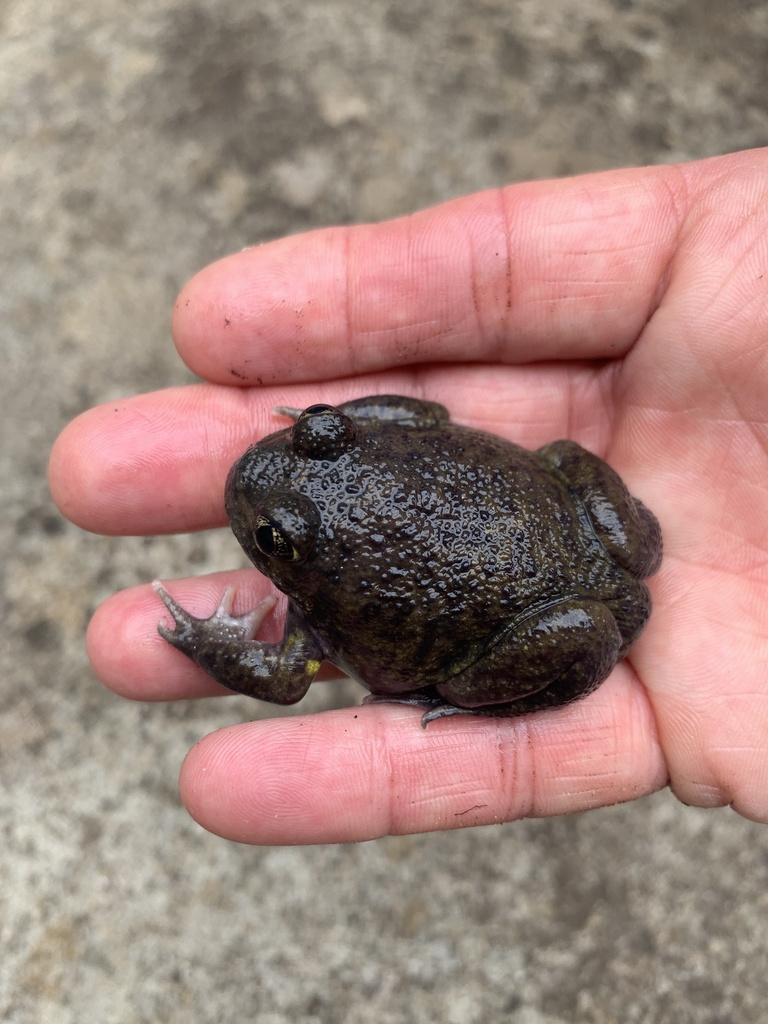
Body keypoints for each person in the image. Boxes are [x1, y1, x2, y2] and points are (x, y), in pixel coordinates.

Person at [49, 148, 768, 845]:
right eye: (279, 537)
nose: (284, 448)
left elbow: (283, 677)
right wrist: (341, 429)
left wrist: (203, 641)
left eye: (320, 432)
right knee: (568, 474)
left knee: (506, 651)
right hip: (587, 536)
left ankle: (458, 684)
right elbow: (424, 419)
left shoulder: (324, 596)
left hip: (561, 613)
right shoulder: (392, 433)